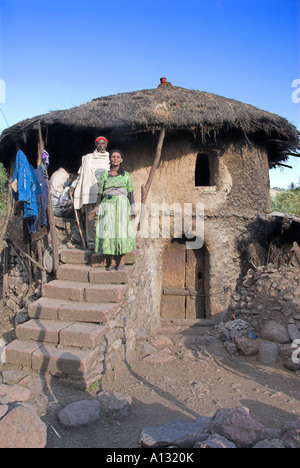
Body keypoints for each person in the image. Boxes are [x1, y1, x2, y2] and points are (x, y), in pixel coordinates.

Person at [89, 150, 136, 271]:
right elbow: (100, 193)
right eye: (113, 157)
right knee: (108, 231)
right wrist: (96, 207)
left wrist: (133, 208)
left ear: (121, 160)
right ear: (110, 159)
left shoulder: (126, 175)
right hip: (107, 204)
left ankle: (122, 260)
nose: (115, 159)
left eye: (118, 157)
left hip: (122, 204)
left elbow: (130, 192)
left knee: (122, 232)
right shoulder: (105, 175)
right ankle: (112, 261)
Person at [70, 136, 110, 250]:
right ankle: (91, 243)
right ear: (96, 145)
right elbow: (80, 175)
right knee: (90, 219)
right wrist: (73, 186)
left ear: (106, 145)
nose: (101, 146)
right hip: (90, 192)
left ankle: (104, 242)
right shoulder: (88, 158)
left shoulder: (109, 158)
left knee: (105, 217)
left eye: (103, 144)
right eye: (99, 144)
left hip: (105, 192)